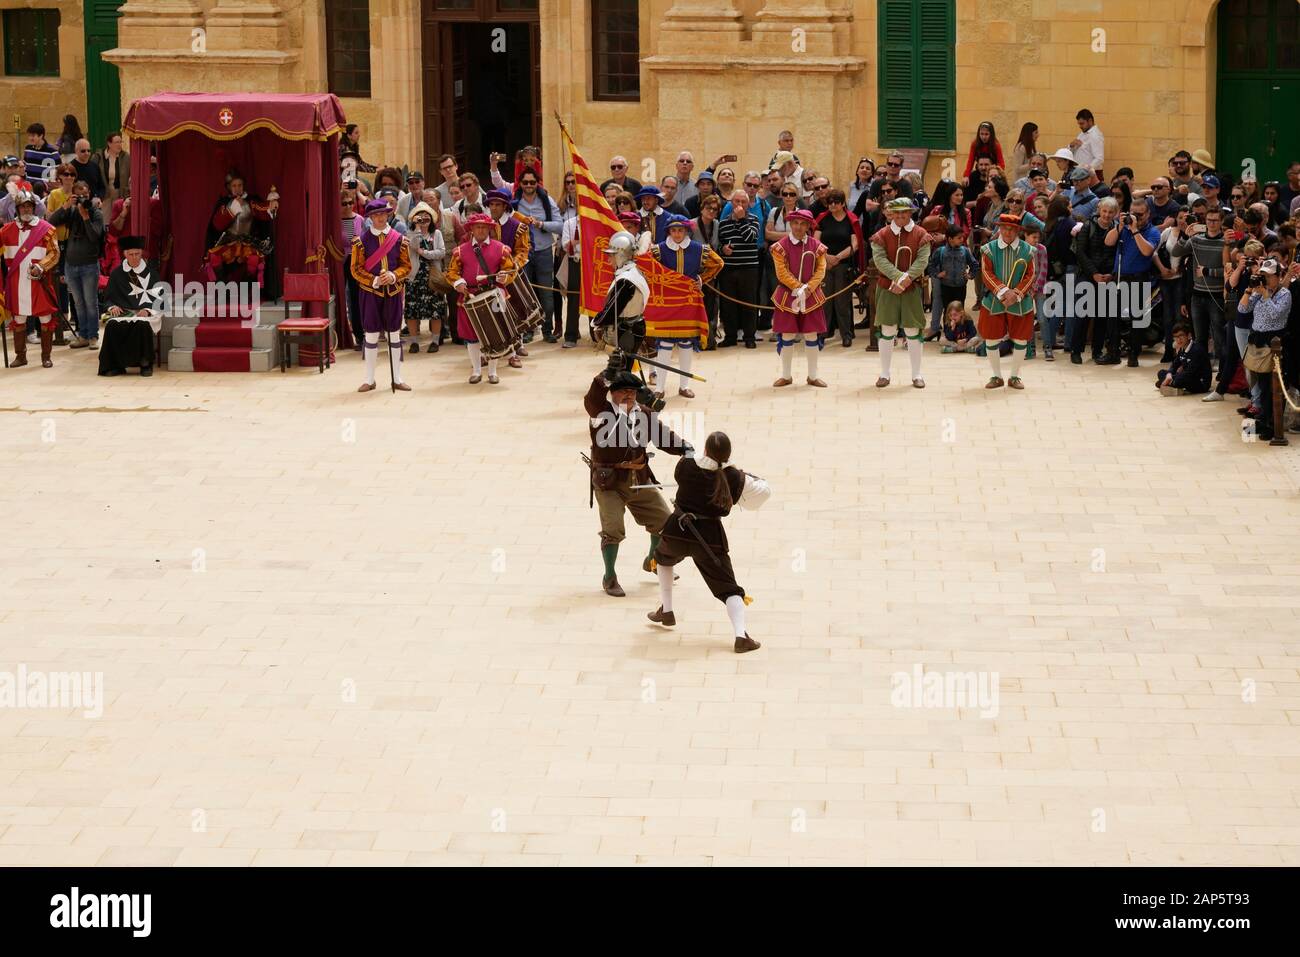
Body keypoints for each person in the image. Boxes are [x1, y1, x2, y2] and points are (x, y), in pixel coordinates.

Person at [648, 430, 770, 654]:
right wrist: (747, 476)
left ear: (705, 449)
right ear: (729, 454)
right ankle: (741, 636)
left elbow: (686, 470)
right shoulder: (735, 477)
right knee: (729, 588)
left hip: (678, 530)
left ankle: (667, 610)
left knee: (663, 558)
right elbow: (764, 493)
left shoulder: (685, 465)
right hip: (709, 539)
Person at [584, 363, 690, 599]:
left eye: (632, 391)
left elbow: (663, 437)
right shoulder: (600, 410)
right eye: (623, 390)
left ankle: (653, 559)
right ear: (613, 392)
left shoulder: (644, 413)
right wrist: (604, 375)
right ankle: (609, 576)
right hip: (609, 482)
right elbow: (592, 395)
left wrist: (684, 447)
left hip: (639, 478)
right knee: (613, 531)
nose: (629, 394)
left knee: (665, 521)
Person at [649, 215, 722, 400]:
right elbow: (647, 267)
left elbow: (718, 263)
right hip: (667, 302)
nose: (677, 234)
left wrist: (700, 279)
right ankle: (659, 387)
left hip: (689, 302)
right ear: (668, 231)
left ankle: (684, 385)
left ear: (687, 231)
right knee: (664, 344)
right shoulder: (658, 250)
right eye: (673, 230)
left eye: (680, 230)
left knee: (686, 344)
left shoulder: (699, 249)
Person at [350, 198, 413, 393]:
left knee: (394, 334)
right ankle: (369, 379)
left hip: (393, 292)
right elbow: (355, 269)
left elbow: (406, 266)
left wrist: (394, 275)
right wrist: (375, 280)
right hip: (370, 293)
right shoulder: (360, 242)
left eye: (383, 214)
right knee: (371, 335)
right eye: (375, 215)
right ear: (370, 217)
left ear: (388, 214)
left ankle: (397, 378)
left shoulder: (400, 240)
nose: (379, 218)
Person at [446, 212, 516, 385]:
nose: (481, 230)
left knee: (493, 335)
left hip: (493, 295)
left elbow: (510, 270)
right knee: (472, 336)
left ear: (489, 229)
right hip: (469, 297)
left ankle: (492, 372)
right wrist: (458, 283)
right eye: (477, 227)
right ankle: (476, 370)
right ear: (471, 229)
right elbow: (451, 273)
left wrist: (504, 277)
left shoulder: (501, 248)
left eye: (484, 227)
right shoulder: (460, 251)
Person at [870, 198, 932, 388]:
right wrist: (899, 278)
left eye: (904, 212)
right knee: (887, 329)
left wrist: (906, 279)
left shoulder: (921, 234)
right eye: (896, 213)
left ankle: (916, 374)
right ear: (890, 214)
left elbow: (923, 260)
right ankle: (884, 373)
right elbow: (879, 260)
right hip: (888, 287)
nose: (900, 216)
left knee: (913, 330)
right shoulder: (881, 235)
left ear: (911, 213)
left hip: (911, 288)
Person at [1, 185, 60, 367]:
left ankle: (46, 357)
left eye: (29, 206)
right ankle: (21, 356)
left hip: (39, 282)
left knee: (45, 318)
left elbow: (55, 253)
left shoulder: (47, 229)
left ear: (34, 208)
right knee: (19, 319)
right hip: (16, 283)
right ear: (17, 209)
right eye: (22, 206)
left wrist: (41, 267)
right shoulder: (5, 231)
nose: (26, 209)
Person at [769, 208, 828, 388]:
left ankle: (813, 375)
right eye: (795, 223)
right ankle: (786, 375)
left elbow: (821, 269)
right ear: (790, 223)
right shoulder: (780, 247)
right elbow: (781, 273)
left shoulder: (817, 246)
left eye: (803, 224)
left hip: (811, 296)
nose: (798, 227)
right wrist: (798, 287)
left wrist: (808, 288)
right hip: (787, 296)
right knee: (787, 334)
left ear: (809, 226)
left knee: (811, 334)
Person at [977, 213, 1037, 389]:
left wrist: (1016, 294)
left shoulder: (1028, 250)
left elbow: (1031, 274)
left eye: (1011, 229)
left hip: (1019, 301)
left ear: (1018, 230)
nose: (1007, 232)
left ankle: (1014, 376)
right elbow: (986, 273)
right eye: (1004, 228)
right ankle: (996, 375)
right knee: (991, 338)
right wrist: (1003, 292)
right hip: (995, 300)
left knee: (1021, 339)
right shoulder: (988, 249)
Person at [47, 179, 104, 350]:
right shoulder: (71, 211)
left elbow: (95, 236)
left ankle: (93, 336)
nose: (82, 199)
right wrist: (65, 206)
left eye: (85, 195)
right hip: (71, 264)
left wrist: (86, 217)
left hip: (89, 265)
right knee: (78, 303)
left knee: (90, 302)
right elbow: (51, 222)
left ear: (90, 195)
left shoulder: (96, 213)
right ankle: (83, 335)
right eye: (78, 196)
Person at [1102, 198, 1159, 367]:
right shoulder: (1123, 228)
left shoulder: (1153, 231)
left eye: (1140, 214)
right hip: (1119, 277)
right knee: (1112, 317)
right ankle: (1113, 353)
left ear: (1148, 214)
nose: (1136, 217)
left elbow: (1147, 251)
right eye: (1133, 214)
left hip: (1138, 278)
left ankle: (1134, 355)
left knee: (1136, 319)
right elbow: (1108, 242)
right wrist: (1119, 227)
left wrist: (1135, 231)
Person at [98, 236, 159, 377]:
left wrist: (148, 310)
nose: (134, 257)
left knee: (142, 325)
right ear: (125, 254)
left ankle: (145, 364)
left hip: (144, 313)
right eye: (130, 254)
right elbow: (107, 298)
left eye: (137, 254)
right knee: (112, 325)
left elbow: (160, 298)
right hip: (123, 312)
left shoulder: (152, 273)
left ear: (141, 253)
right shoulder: (116, 274)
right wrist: (112, 307)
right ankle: (114, 365)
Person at [206, 172, 276, 287]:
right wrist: (232, 209)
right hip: (228, 242)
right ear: (228, 187)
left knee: (254, 260)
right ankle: (223, 290)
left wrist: (271, 206)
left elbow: (262, 209)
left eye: (240, 185)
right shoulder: (224, 203)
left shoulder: (251, 201)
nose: (237, 188)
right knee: (214, 258)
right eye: (234, 186)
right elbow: (217, 224)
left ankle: (245, 290)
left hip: (247, 241)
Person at [814, 188, 861, 348]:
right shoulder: (822, 219)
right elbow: (816, 241)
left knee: (842, 302)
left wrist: (838, 257)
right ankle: (822, 334)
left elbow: (855, 244)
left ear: (842, 204)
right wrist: (826, 257)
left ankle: (846, 334)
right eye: (830, 202)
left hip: (843, 265)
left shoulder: (850, 220)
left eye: (835, 202)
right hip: (825, 265)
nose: (832, 205)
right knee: (824, 301)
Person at [717, 189, 762, 348]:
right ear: (731, 203)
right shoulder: (723, 223)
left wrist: (742, 220)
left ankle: (749, 337)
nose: (740, 205)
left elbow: (751, 238)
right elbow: (720, 243)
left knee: (749, 304)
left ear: (748, 204)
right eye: (737, 201)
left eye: (743, 202)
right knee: (729, 305)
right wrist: (724, 249)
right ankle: (730, 336)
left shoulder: (754, 219)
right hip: (729, 269)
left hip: (748, 268)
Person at [403, 201, 447, 354]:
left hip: (432, 276)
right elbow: (414, 245)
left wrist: (426, 253)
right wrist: (416, 228)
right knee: (412, 310)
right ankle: (414, 342)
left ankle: (435, 341)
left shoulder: (437, 234)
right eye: (419, 217)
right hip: (414, 277)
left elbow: (442, 252)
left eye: (426, 217)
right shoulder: (409, 233)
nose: (423, 220)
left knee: (435, 310)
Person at [1156, 323, 1211, 395]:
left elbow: (1190, 373)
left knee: (1180, 380)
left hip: (1200, 383)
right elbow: (1174, 365)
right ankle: (1172, 384)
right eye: (1175, 337)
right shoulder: (1182, 349)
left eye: (1181, 335)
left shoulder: (1196, 350)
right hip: (1186, 377)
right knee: (1161, 372)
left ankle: (1170, 383)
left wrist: (1172, 377)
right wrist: (1169, 374)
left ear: (1189, 336)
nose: (1178, 339)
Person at [91, 132, 130, 207]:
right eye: (116, 142)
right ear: (109, 144)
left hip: (121, 194)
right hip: (104, 195)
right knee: (106, 218)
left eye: (120, 142)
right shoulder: (98, 157)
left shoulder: (126, 157)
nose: (119, 144)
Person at [962, 122, 1005, 187]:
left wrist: (995, 173)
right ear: (978, 134)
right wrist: (966, 175)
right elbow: (970, 161)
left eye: (986, 134)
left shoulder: (996, 145)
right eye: (981, 134)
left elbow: (1001, 163)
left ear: (991, 135)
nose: (984, 137)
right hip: (980, 171)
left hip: (993, 172)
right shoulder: (975, 144)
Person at [1070, 109, 1104, 181]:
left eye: (1082, 123)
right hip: (1080, 174)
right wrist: (1072, 145)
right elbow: (1074, 152)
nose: (1080, 126)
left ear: (1090, 121)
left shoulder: (1095, 135)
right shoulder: (1082, 134)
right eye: (1079, 124)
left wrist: (1085, 171)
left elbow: (1099, 158)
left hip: (1091, 175)